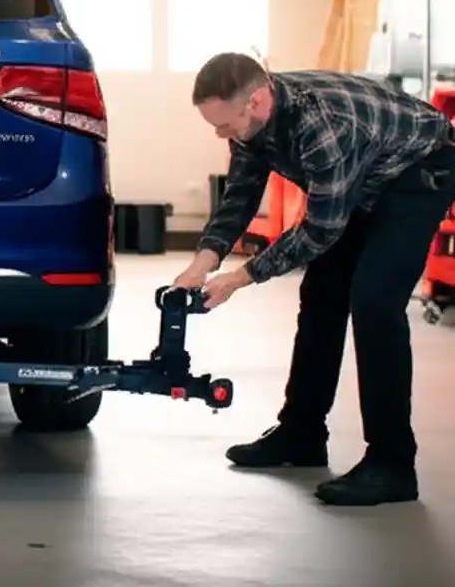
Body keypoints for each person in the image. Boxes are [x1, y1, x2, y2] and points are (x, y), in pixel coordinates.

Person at [174, 52, 455, 506]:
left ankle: (392, 463)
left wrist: (241, 277)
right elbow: (241, 195)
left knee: (374, 302)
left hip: (418, 170)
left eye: (225, 124)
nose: (220, 134)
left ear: (258, 101)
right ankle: (301, 434)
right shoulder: (251, 124)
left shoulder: (322, 125)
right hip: (364, 179)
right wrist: (203, 263)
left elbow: (321, 229)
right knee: (322, 294)